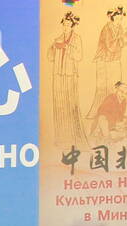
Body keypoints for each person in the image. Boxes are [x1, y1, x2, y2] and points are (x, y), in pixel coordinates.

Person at [47, 11, 89, 146]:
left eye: (68, 25)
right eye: (64, 25)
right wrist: (54, 47)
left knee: (71, 104)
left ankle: (73, 137)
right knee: (59, 105)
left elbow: (79, 56)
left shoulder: (77, 39)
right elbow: (50, 57)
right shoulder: (58, 38)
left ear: (72, 26)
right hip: (58, 74)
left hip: (70, 74)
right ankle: (61, 137)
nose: (66, 27)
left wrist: (68, 47)